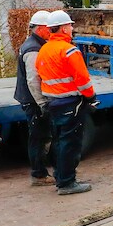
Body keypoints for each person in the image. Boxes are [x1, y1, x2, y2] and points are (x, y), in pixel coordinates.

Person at [35, 10, 96, 196]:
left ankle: (61, 178)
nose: (72, 28)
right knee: (70, 144)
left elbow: (39, 75)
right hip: (71, 103)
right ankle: (67, 183)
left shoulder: (44, 50)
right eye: (70, 25)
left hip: (53, 103)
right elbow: (82, 79)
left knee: (59, 142)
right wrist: (91, 96)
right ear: (63, 28)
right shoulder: (69, 51)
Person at [15, 10, 52, 185]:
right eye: (49, 28)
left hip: (31, 99)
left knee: (39, 136)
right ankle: (39, 175)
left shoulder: (33, 44)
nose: (51, 31)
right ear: (41, 28)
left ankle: (40, 172)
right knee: (38, 137)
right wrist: (42, 103)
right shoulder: (33, 49)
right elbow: (33, 80)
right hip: (33, 101)